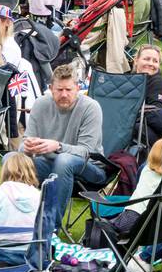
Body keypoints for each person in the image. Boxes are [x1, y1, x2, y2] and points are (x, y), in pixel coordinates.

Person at [20, 63, 107, 224]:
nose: (64, 94)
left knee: (64, 160)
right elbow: (25, 141)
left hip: (90, 169)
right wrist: (28, 146)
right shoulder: (41, 104)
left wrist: (58, 146)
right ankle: (17, 223)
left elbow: (86, 151)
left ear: (77, 87)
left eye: (69, 90)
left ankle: (51, 228)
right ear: (51, 88)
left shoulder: (90, 108)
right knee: (13, 159)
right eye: (59, 90)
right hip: (49, 163)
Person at [0, 153, 42, 268]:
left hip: (6, 254)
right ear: (31, 171)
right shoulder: (39, 196)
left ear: (5, 171)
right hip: (35, 255)